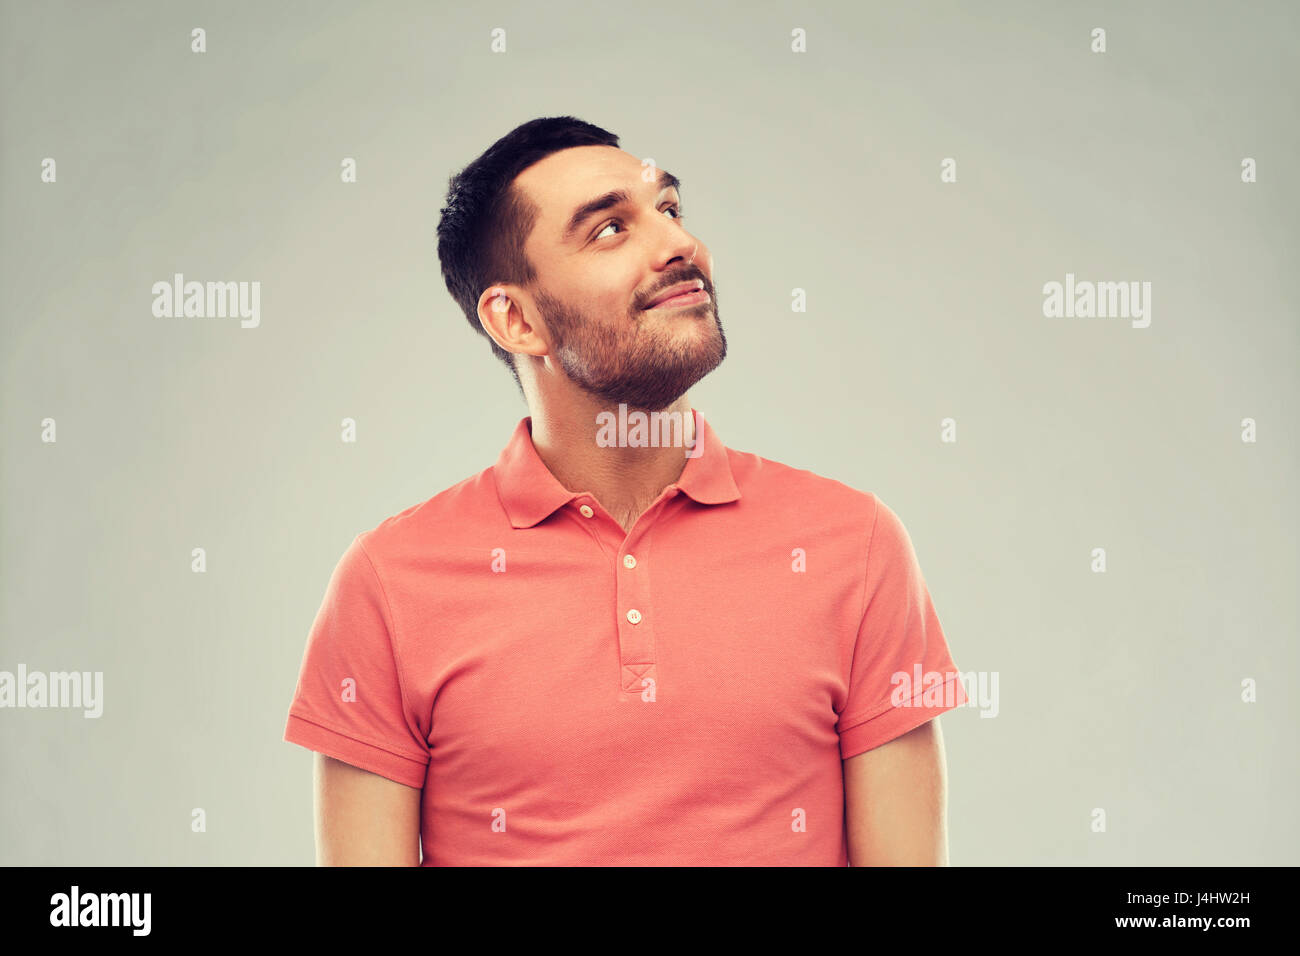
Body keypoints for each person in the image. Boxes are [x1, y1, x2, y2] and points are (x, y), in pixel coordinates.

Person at [283, 115, 967, 866]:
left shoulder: (854, 545)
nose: (678, 245)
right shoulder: (389, 583)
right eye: (611, 230)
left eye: (669, 210)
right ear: (516, 320)